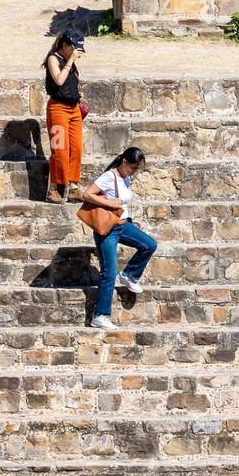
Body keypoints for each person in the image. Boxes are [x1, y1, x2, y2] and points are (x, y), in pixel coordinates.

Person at [82, 146, 158, 331]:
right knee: (108, 272)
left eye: (137, 169)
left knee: (149, 244)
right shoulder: (110, 176)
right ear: (124, 162)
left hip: (123, 225)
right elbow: (87, 194)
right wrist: (109, 202)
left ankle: (129, 275)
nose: (135, 172)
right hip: (108, 229)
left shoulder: (126, 177)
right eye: (133, 168)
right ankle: (100, 316)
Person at [44, 27, 86, 202]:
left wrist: (78, 93)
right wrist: (71, 61)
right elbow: (59, 80)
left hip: (73, 110)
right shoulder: (53, 58)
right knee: (59, 150)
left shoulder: (70, 59)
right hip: (58, 110)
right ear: (66, 45)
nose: (76, 52)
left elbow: (69, 82)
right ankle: (54, 189)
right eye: (74, 48)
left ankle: (74, 186)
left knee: (76, 149)